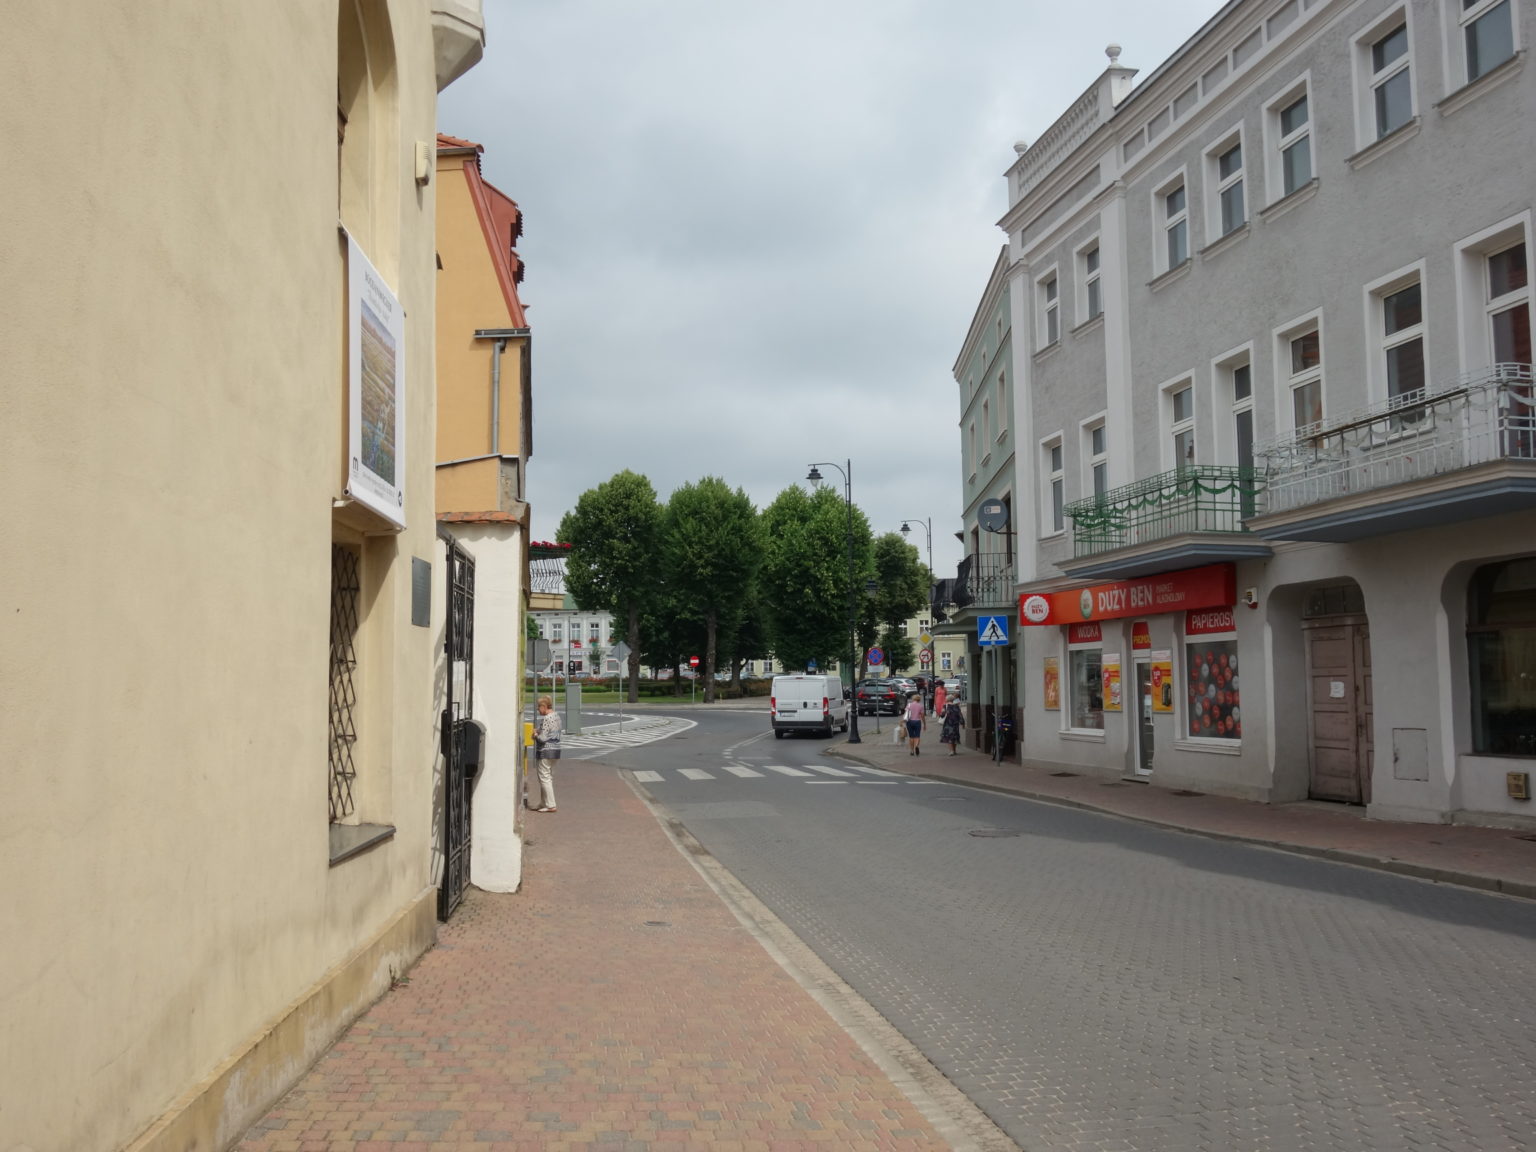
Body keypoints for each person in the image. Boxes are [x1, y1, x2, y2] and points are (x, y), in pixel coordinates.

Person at [533, 695, 561, 812]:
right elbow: (551, 732)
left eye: (538, 707)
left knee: (544, 778)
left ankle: (550, 805)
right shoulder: (556, 716)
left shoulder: (546, 718)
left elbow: (543, 738)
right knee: (548, 777)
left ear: (544, 706)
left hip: (545, 751)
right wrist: (540, 731)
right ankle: (543, 803)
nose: (538, 710)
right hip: (555, 751)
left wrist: (535, 735)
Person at [903, 691, 925, 756]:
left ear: (913, 699)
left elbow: (906, 714)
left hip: (909, 722)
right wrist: (924, 724)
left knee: (911, 737)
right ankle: (916, 746)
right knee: (917, 736)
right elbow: (922, 716)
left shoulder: (909, 705)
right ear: (919, 699)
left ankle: (912, 751)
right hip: (917, 722)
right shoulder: (921, 706)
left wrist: (903, 721)